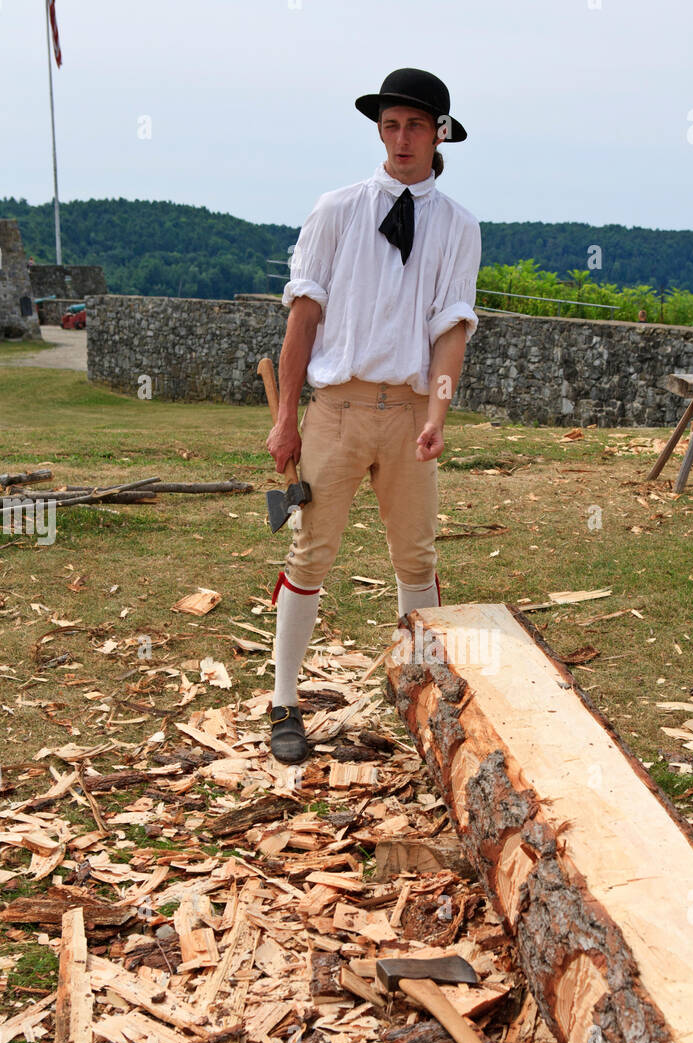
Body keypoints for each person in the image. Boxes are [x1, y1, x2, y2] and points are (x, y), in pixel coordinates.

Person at [264, 68, 481, 765]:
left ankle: (419, 693)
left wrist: (439, 413)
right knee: (309, 551)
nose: (401, 138)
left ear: (440, 133)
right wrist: (286, 419)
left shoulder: (459, 226)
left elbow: (452, 327)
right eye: (390, 124)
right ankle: (283, 703)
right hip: (335, 408)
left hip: (410, 408)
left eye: (416, 125)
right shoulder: (335, 209)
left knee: (416, 557)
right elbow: (303, 318)